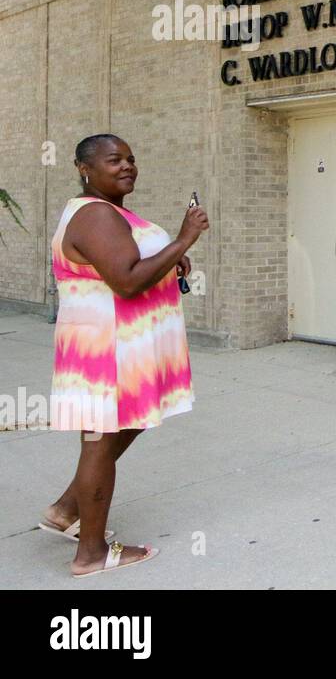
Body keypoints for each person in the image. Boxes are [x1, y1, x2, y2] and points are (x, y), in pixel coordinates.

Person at [39, 133, 208, 577]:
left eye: (131, 159)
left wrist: (170, 260)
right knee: (98, 443)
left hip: (128, 347)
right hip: (108, 349)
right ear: (84, 168)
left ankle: (66, 509)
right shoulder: (95, 215)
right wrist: (185, 238)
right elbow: (128, 280)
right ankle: (91, 553)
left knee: (126, 426)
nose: (127, 166)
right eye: (114, 160)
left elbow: (131, 263)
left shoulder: (111, 212)